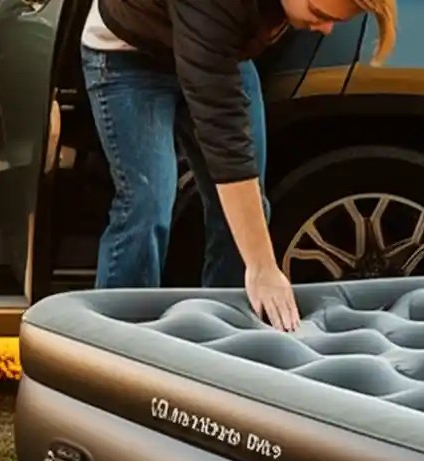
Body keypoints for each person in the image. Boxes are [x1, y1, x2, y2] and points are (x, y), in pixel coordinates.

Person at [80, 0, 397, 332]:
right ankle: (114, 339)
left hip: (220, 53)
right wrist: (262, 268)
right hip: (130, 57)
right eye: (319, 15)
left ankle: (225, 332)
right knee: (147, 204)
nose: (326, 29)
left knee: (246, 215)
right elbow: (225, 140)